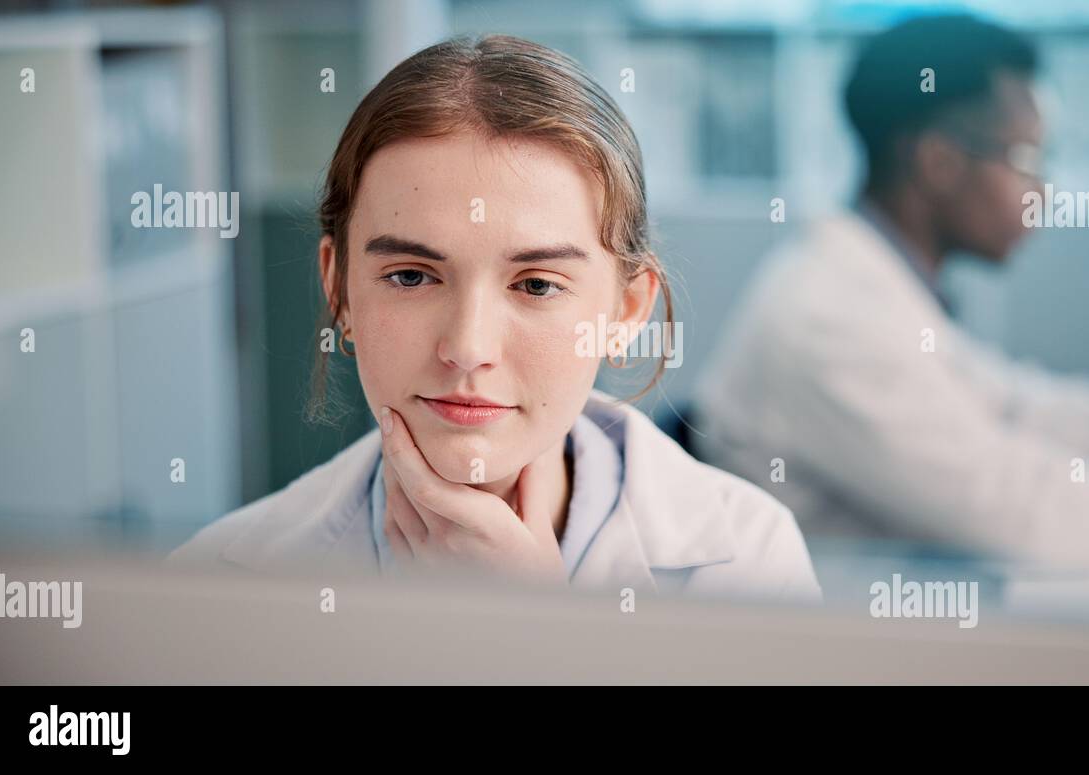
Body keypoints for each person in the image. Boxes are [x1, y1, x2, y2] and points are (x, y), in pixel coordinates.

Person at [170, 35, 821, 603]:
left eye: (536, 284)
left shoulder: (749, 561)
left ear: (626, 310)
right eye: (411, 276)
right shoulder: (216, 582)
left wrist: (542, 634)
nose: (468, 347)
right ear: (338, 289)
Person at [693, 14, 1089, 568]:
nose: (1043, 191)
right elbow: (1020, 514)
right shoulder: (826, 315)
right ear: (938, 160)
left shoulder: (875, 284)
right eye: (1027, 159)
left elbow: (1011, 406)